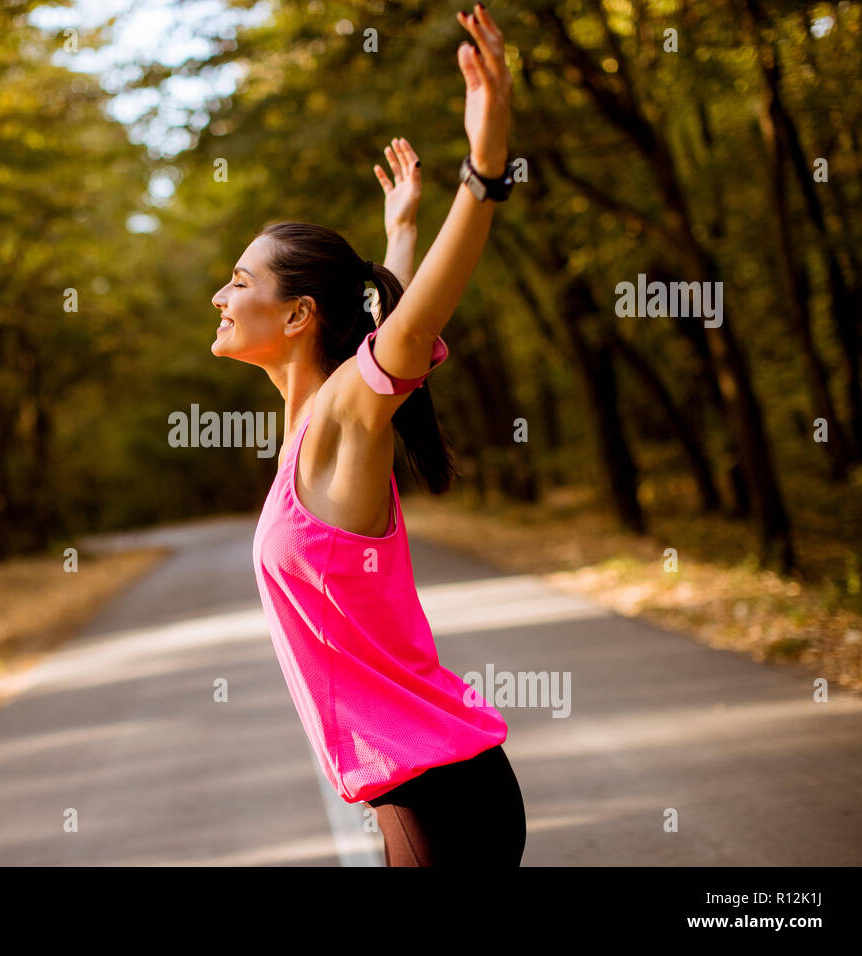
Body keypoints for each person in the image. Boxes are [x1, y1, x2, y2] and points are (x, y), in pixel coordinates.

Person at [210, 4, 526, 866]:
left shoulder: (348, 412)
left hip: (444, 796)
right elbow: (385, 312)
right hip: (415, 793)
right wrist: (398, 233)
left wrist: (485, 171)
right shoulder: (308, 427)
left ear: (299, 314)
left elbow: (410, 328)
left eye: (239, 281)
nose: (220, 296)